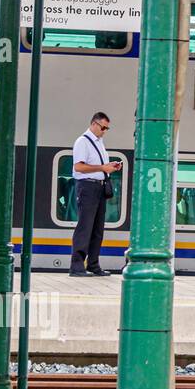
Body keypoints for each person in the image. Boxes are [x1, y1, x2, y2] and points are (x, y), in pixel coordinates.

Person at [70, 111, 121, 277]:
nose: (105, 131)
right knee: (85, 227)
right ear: (94, 124)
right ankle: (77, 266)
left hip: (99, 187)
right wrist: (102, 168)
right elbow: (79, 167)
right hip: (87, 187)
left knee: (97, 229)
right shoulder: (82, 142)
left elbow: (100, 166)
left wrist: (110, 167)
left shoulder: (99, 143)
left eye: (107, 128)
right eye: (103, 127)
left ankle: (93, 264)